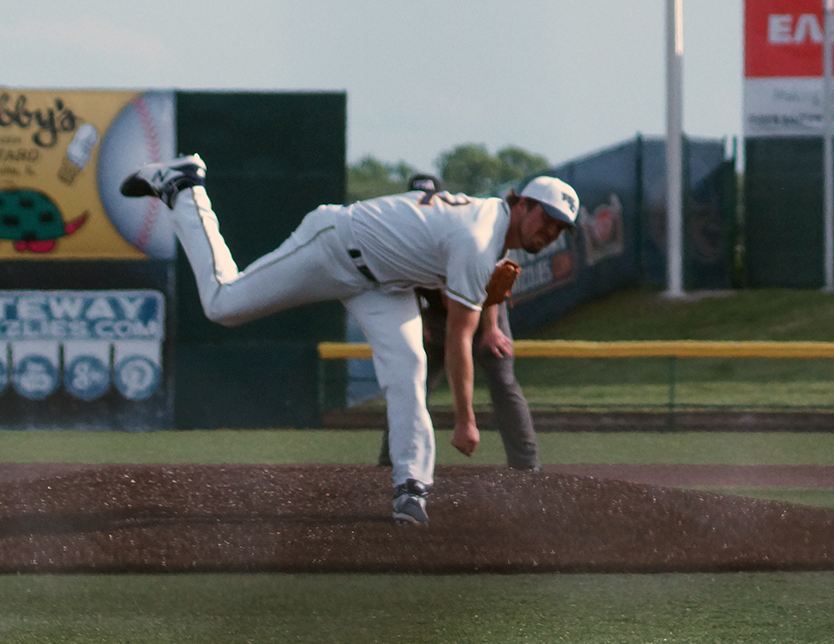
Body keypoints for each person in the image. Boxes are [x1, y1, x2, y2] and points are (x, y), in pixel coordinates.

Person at [120, 154, 576, 525]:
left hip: (387, 284)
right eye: (547, 218)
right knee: (224, 303)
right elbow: (461, 337)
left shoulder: (490, 231)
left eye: (559, 229)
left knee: (409, 368)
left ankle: (411, 488)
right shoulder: (479, 238)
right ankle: (184, 188)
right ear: (521, 204)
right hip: (335, 245)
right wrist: (465, 419)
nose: (550, 231)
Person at [376, 173, 541, 473]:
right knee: (412, 383)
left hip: (483, 311)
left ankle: (527, 466)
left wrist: (490, 329)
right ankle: (390, 465)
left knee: (502, 379)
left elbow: (491, 281)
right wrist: (418, 324)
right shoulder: (407, 230)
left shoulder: (464, 223)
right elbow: (401, 282)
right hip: (438, 317)